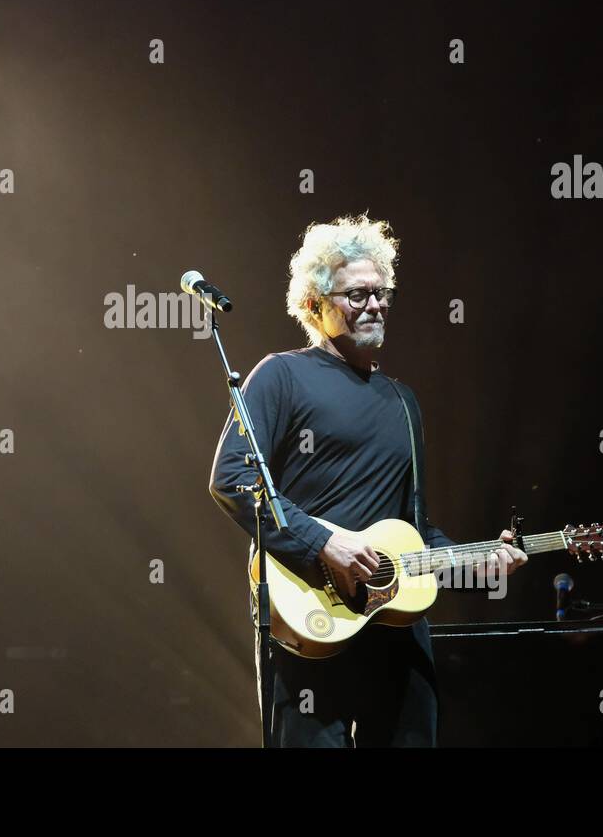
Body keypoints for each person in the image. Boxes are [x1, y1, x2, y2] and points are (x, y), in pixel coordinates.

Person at [208, 213, 527, 747]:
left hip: (396, 627)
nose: (375, 305)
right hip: (310, 614)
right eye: (357, 295)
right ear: (315, 305)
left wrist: (478, 560)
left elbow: (416, 530)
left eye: (382, 293)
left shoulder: (403, 402)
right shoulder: (280, 375)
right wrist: (323, 543)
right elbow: (233, 476)